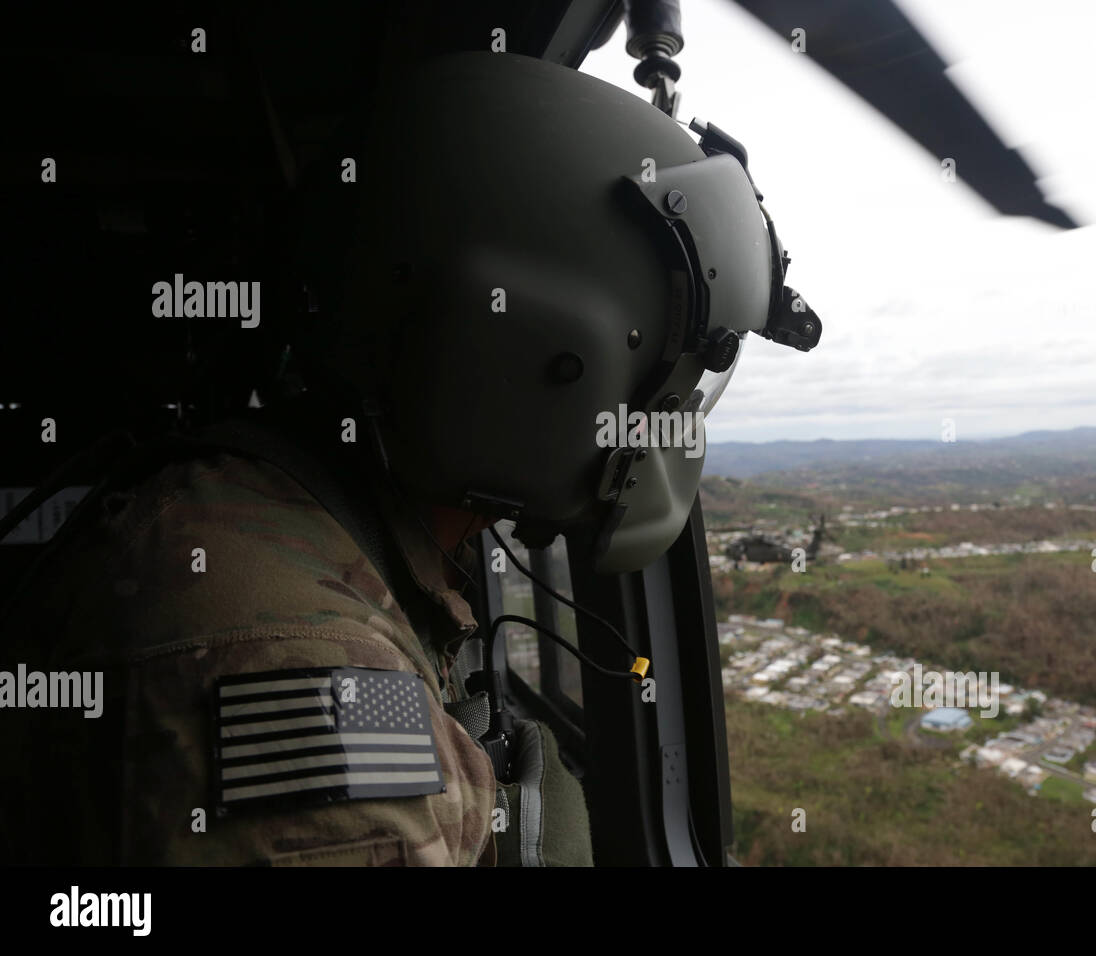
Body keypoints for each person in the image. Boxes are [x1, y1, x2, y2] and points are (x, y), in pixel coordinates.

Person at [0, 50, 820, 866]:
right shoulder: (296, 668)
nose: (672, 421)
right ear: (541, 356)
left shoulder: (265, 510)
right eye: (669, 384)